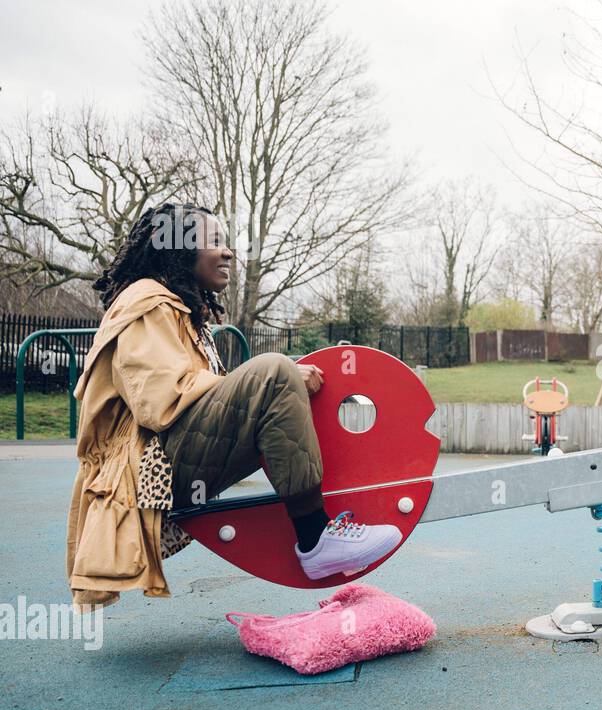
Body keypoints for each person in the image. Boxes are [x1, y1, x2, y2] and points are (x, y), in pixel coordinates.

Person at [66, 202, 400, 609]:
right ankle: (315, 538)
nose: (228, 252)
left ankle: (319, 529)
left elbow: (198, 396)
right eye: (214, 242)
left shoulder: (179, 309)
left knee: (277, 378)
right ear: (178, 250)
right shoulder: (146, 303)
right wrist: (281, 378)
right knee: (275, 372)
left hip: (169, 458)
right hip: (147, 470)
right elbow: (161, 402)